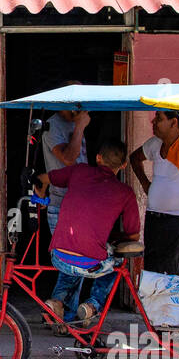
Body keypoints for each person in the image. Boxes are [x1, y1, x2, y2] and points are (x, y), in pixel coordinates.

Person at [35, 139, 141, 332]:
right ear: (124, 165)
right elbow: (133, 236)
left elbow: (42, 178)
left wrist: (41, 200)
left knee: (72, 265)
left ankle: (58, 302)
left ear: (98, 158)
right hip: (90, 264)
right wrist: (110, 238)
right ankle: (93, 305)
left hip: (58, 255)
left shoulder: (79, 171)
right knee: (116, 260)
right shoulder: (125, 192)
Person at [129, 110, 179, 276]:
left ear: (174, 122)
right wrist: (145, 184)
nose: (153, 122)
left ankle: (166, 302)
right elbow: (134, 158)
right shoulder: (155, 144)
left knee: (171, 272)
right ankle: (153, 302)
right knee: (151, 269)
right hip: (154, 216)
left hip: (178, 220)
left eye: (159, 119)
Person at [42, 89, 90, 234]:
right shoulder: (52, 126)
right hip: (61, 204)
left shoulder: (74, 122)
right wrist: (80, 125)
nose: (80, 108)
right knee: (63, 254)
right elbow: (69, 159)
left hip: (81, 200)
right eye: (77, 103)